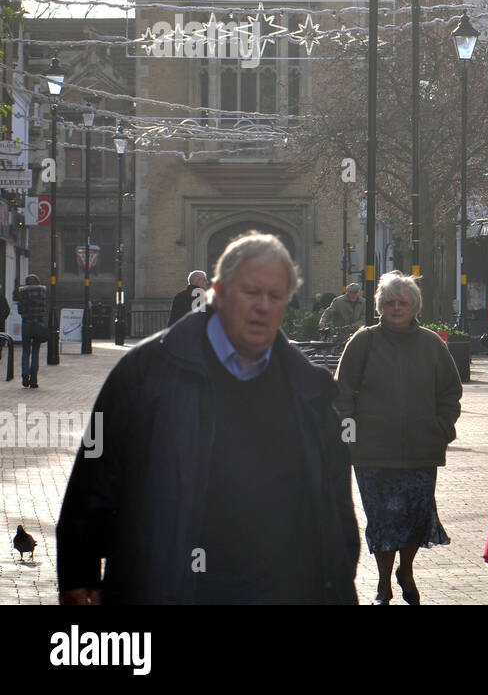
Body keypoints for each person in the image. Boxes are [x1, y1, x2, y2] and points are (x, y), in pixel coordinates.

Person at [55, 232, 359, 604]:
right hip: (174, 588)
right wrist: (78, 571)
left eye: (275, 296)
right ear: (218, 291)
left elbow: (336, 507)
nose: (263, 306)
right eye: (251, 292)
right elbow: (95, 474)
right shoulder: (146, 373)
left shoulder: (310, 389)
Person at [335, 271, 462, 605]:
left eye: (402, 302)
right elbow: (342, 390)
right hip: (372, 453)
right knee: (383, 519)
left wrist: (442, 429)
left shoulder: (431, 343)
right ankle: (382, 584)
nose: (395, 308)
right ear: (379, 306)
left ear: (414, 306)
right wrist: (350, 435)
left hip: (421, 450)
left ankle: (406, 571)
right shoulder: (364, 341)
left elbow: (450, 391)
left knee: (415, 518)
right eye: (389, 302)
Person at [15, 274, 49, 389]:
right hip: (38, 323)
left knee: (25, 351)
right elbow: (44, 308)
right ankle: (34, 380)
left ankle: (25, 374)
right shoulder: (42, 291)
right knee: (35, 352)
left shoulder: (22, 292)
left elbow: (19, 309)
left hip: (26, 323)